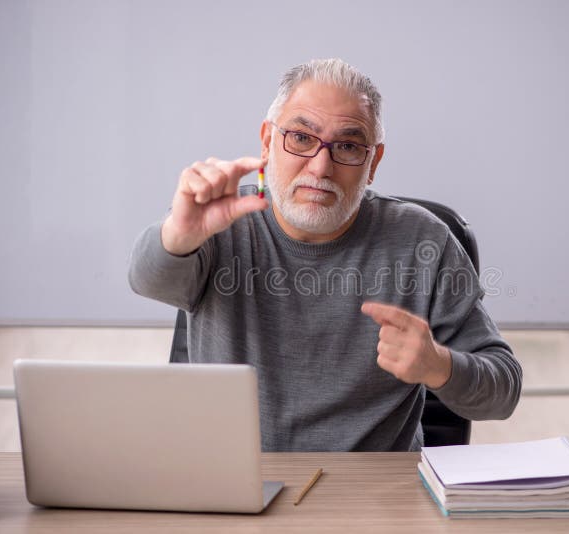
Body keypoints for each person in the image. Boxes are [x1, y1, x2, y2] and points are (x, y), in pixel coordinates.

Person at [129, 58, 522, 452]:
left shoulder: (423, 241)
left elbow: (503, 389)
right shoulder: (218, 223)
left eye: (348, 146)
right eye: (301, 138)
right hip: (230, 481)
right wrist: (179, 234)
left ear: (373, 163)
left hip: (374, 494)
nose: (321, 167)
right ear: (267, 142)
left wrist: (439, 365)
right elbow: (148, 279)